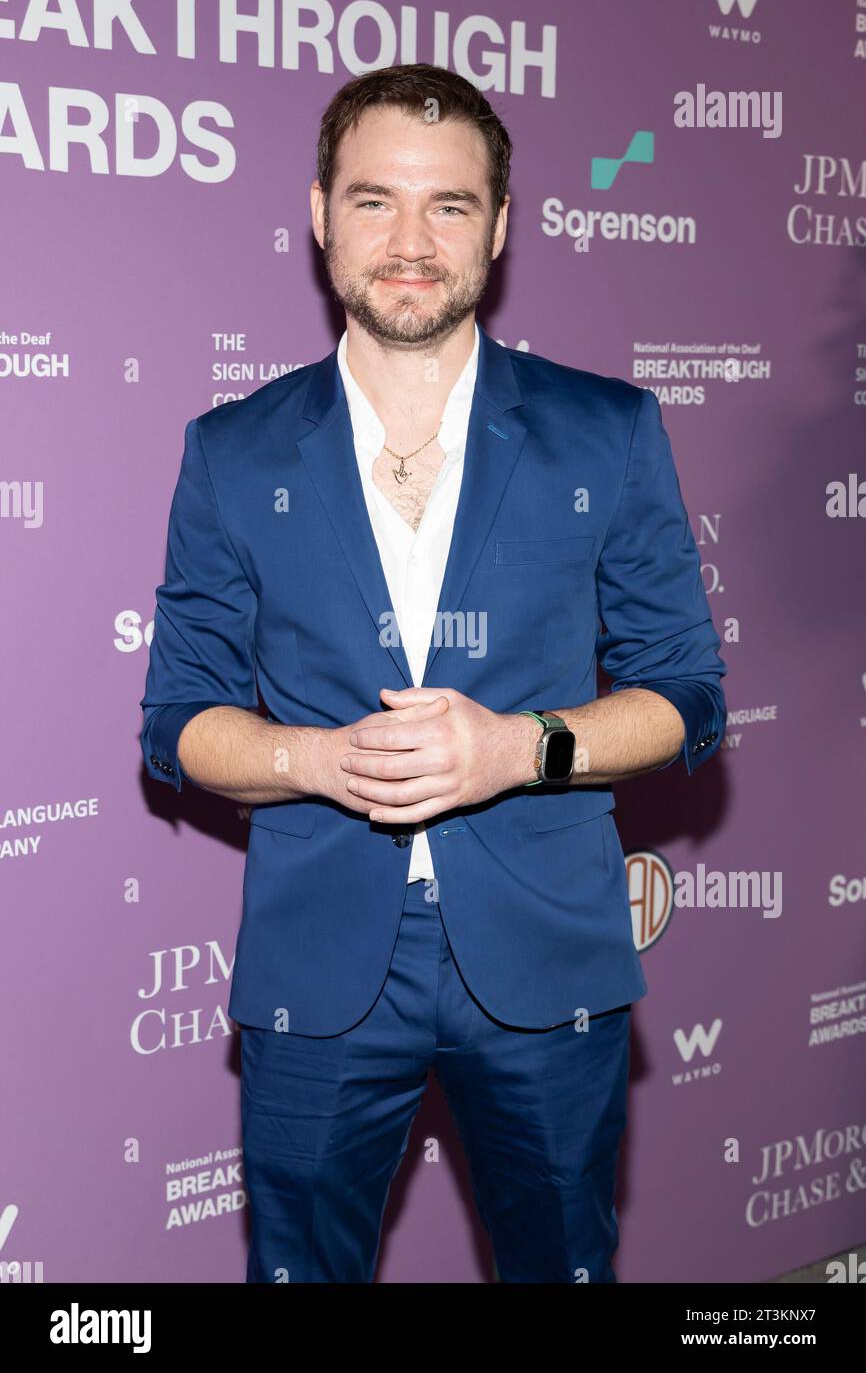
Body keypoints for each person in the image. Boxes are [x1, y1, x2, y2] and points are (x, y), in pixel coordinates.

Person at [140, 63, 726, 1284]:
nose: (409, 241)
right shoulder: (233, 451)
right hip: (319, 959)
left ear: (500, 227)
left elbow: (686, 697)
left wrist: (519, 747)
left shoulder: (604, 430)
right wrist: (315, 757)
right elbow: (178, 720)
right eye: (373, 201)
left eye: (448, 205)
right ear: (318, 215)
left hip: (547, 948)